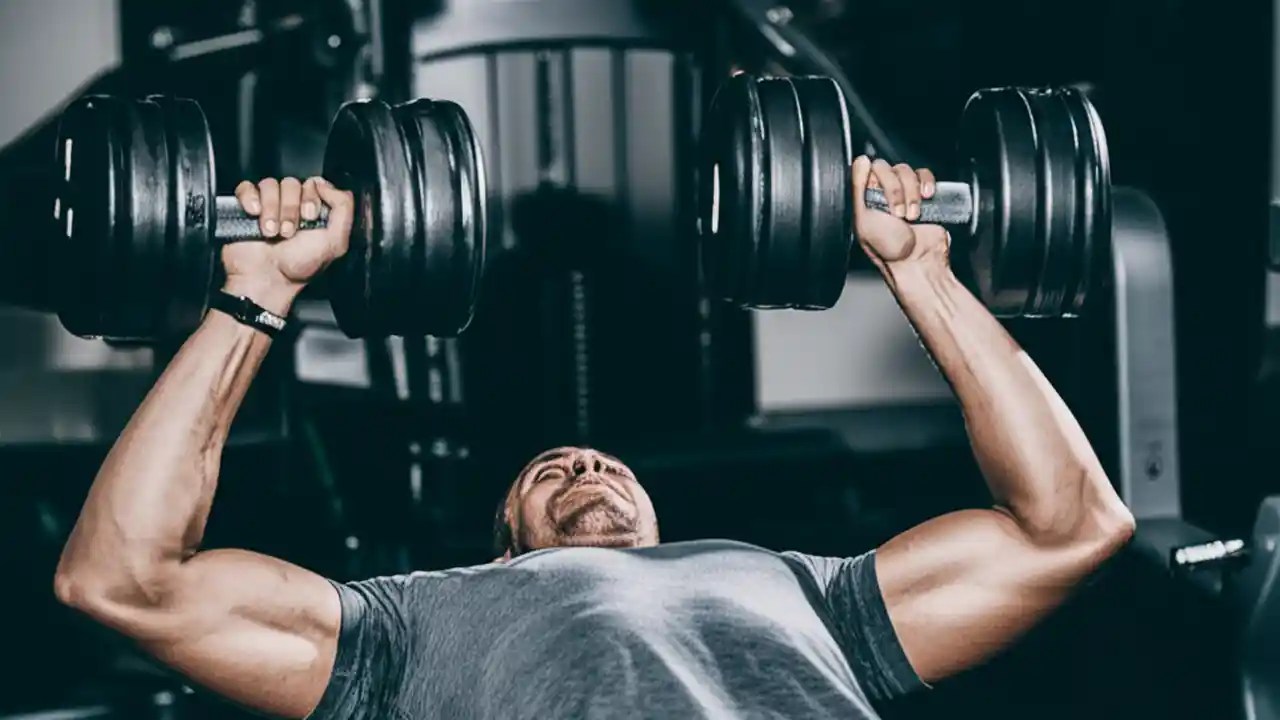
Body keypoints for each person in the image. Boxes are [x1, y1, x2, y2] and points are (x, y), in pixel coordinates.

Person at [54, 160, 1135, 720]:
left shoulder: (801, 589)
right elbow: (123, 581)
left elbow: (1071, 527)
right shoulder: (411, 624)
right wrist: (254, 295)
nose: (585, 464)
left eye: (604, 465)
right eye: (550, 471)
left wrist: (921, 270)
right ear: (502, 546)